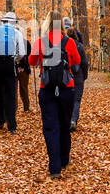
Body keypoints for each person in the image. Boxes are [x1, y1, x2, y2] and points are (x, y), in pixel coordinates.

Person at [28, 11, 82, 177]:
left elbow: (32, 61)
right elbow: (77, 62)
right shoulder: (70, 42)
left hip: (47, 88)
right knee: (65, 125)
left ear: (47, 24)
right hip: (67, 88)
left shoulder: (41, 41)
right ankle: (65, 159)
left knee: (51, 127)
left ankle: (55, 168)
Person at [63, 17, 89, 130]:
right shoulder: (79, 45)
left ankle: (66, 120)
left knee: (66, 98)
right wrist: (84, 75)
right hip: (78, 76)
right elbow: (84, 62)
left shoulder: (62, 44)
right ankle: (73, 120)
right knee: (76, 99)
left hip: (65, 75)